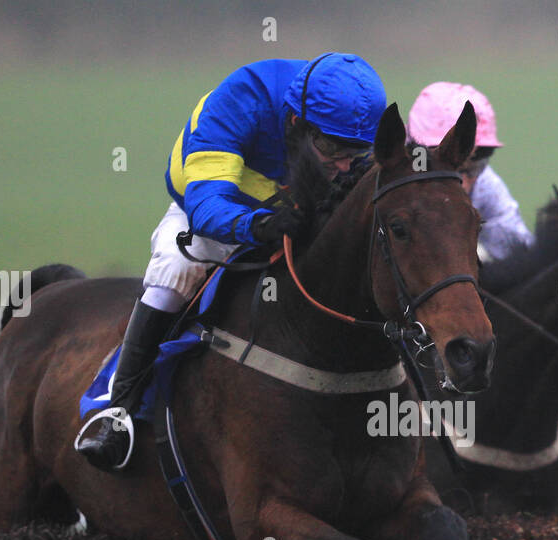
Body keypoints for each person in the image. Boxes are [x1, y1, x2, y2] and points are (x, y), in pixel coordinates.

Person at [76, 53, 386, 471]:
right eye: (331, 148)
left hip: (296, 217)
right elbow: (205, 206)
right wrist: (259, 226)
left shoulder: (349, 125)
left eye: (357, 151)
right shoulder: (241, 100)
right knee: (175, 273)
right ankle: (118, 411)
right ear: (296, 122)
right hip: (218, 214)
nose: (346, 164)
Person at [406, 82, 532, 263]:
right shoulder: (386, 181)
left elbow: (522, 254)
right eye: (452, 169)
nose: (464, 184)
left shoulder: (486, 186)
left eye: (474, 168)